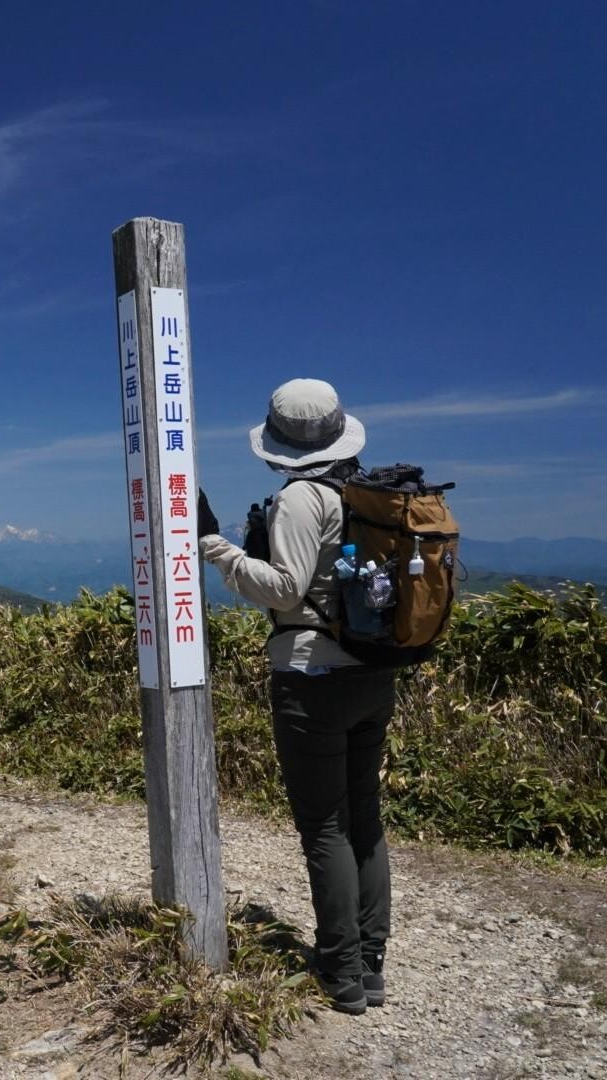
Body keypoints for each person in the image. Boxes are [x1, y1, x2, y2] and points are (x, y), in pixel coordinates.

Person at [197, 377, 393, 1016]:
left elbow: (283, 589)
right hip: (372, 671)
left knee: (325, 827)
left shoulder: (302, 498)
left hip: (313, 678)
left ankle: (340, 973)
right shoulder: (363, 491)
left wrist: (216, 546)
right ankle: (370, 964)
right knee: (363, 818)